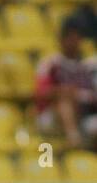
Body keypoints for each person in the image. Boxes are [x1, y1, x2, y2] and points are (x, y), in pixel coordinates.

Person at [35, 19, 97, 150]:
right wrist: (64, 91)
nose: (74, 42)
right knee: (64, 99)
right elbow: (41, 92)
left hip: (84, 112)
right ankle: (73, 139)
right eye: (70, 38)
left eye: (77, 38)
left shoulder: (89, 64)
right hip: (54, 115)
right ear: (62, 40)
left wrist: (78, 95)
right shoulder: (51, 63)